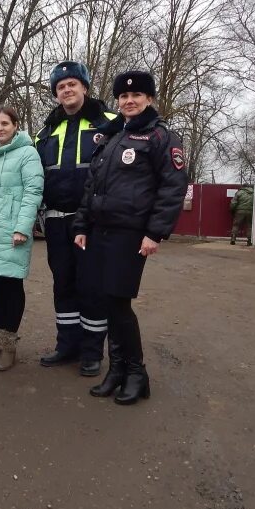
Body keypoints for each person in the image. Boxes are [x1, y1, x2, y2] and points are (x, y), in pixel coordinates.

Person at [73, 70, 187, 405]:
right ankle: (118, 370)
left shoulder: (161, 137)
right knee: (108, 301)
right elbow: (92, 186)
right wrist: (81, 225)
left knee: (119, 303)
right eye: (123, 97)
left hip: (130, 234)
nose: (129, 101)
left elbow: (172, 188)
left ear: (149, 99)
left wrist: (155, 233)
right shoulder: (112, 137)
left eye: (136, 96)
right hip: (100, 231)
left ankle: (137, 374)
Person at [34, 60, 118, 377]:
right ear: (56, 94)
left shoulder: (111, 122)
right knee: (63, 284)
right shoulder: (44, 132)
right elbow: (35, 177)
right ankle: (67, 345)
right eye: (60, 86)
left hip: (94, 224)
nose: (67, 90)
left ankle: (92, 351)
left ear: (84, 86)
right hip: (55, 220)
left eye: (72, 84)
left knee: (91, 286)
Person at [0, 106, 44, 371]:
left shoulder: (28, 154)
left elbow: (33, 192)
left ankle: (8, 346)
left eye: (5, 123)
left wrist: (22, 228)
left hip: (13, 232)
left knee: (11, 288)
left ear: (16, 125)